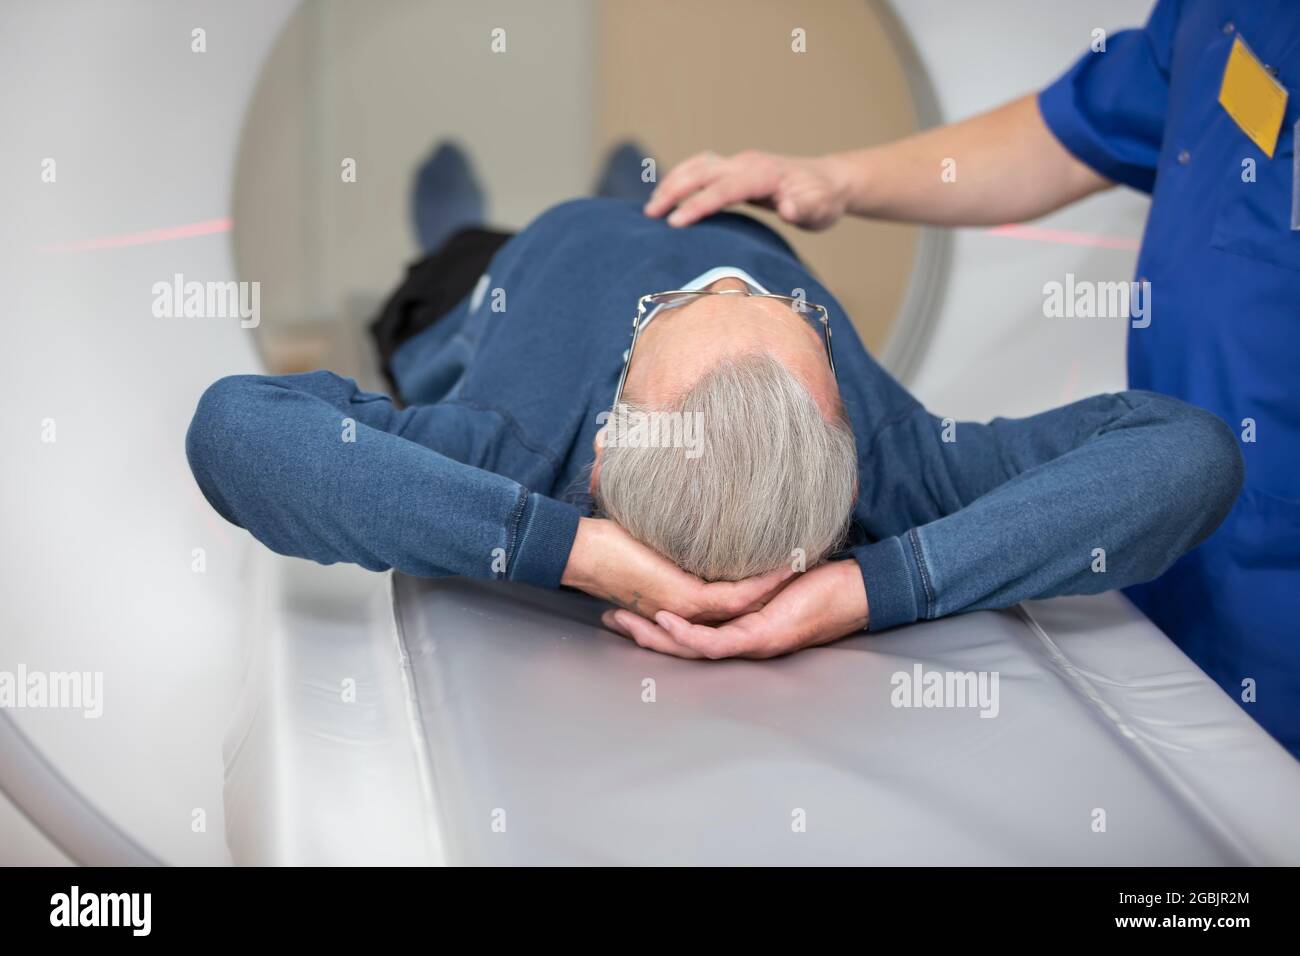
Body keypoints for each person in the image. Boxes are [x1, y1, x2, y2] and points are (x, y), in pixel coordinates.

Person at [185, 141, 1242, 666]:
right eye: (796, 312)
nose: (716, 286)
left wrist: (568, 549)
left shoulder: (510, 449)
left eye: (665, 316)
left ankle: (455, 224)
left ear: (599, 450)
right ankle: (621, 176)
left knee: (442, 279)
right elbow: (1185, 452)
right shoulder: (905, 459)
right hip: (696, 207)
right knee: (644, 184)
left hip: (505, 284)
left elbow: (239, 431)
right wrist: (882, 588)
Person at [643, 1, 1300, 754]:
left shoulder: (899, 462)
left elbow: (1184, 459)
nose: (733, 296)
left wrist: (867, 590)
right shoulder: (1223, 12)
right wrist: (831, 179)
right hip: (1188, 550)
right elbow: (1067, 135)